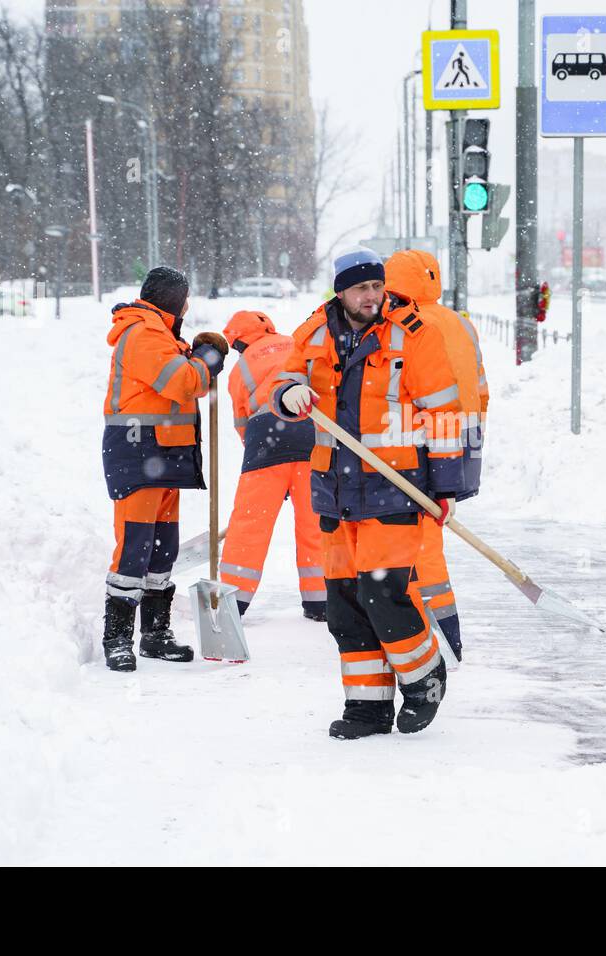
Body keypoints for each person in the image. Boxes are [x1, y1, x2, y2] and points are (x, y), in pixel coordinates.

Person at [270, 246, 464, 739]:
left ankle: (424, 679)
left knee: (383, 594)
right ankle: (367, 708)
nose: (373, 296)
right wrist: (287, 394)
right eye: (362, 288)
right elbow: (285, 379)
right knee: (346, 604)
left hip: (396, 488)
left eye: (378, 287)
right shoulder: (313, 334)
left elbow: (443, 410)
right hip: (335, 491)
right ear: (341, 291)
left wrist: (447, 486)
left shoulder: (411, 336)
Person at [101, 266, 229, 671]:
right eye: (186, 299)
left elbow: (188, 378)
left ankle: (155, 635)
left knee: (162, 549)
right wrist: (207, 360)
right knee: (134, 548)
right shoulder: (142, 334)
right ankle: (117, 639)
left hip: (165, 456)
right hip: (138, 454)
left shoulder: (163, 336)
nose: (189, 306)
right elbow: (182, 382)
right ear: (176, 301)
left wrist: (199, 359)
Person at [384, 248, 489, 661]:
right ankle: (433, 626)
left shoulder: (405, 327)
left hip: (420, 443)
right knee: (427, 534)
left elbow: (405, 396)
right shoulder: (462, 325)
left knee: (419, 542)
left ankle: (438, 632)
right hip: (462, 442)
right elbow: (480, 388)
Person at [218, 309, 325, 620]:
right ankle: (320, 600)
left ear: (238, 342)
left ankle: (233, 601)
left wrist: (262, 459)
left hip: (265, 439)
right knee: (314, 521)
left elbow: (242, 420)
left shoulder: (242, 367)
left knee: (250, 524)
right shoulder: (293, 344)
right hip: (311, 431)